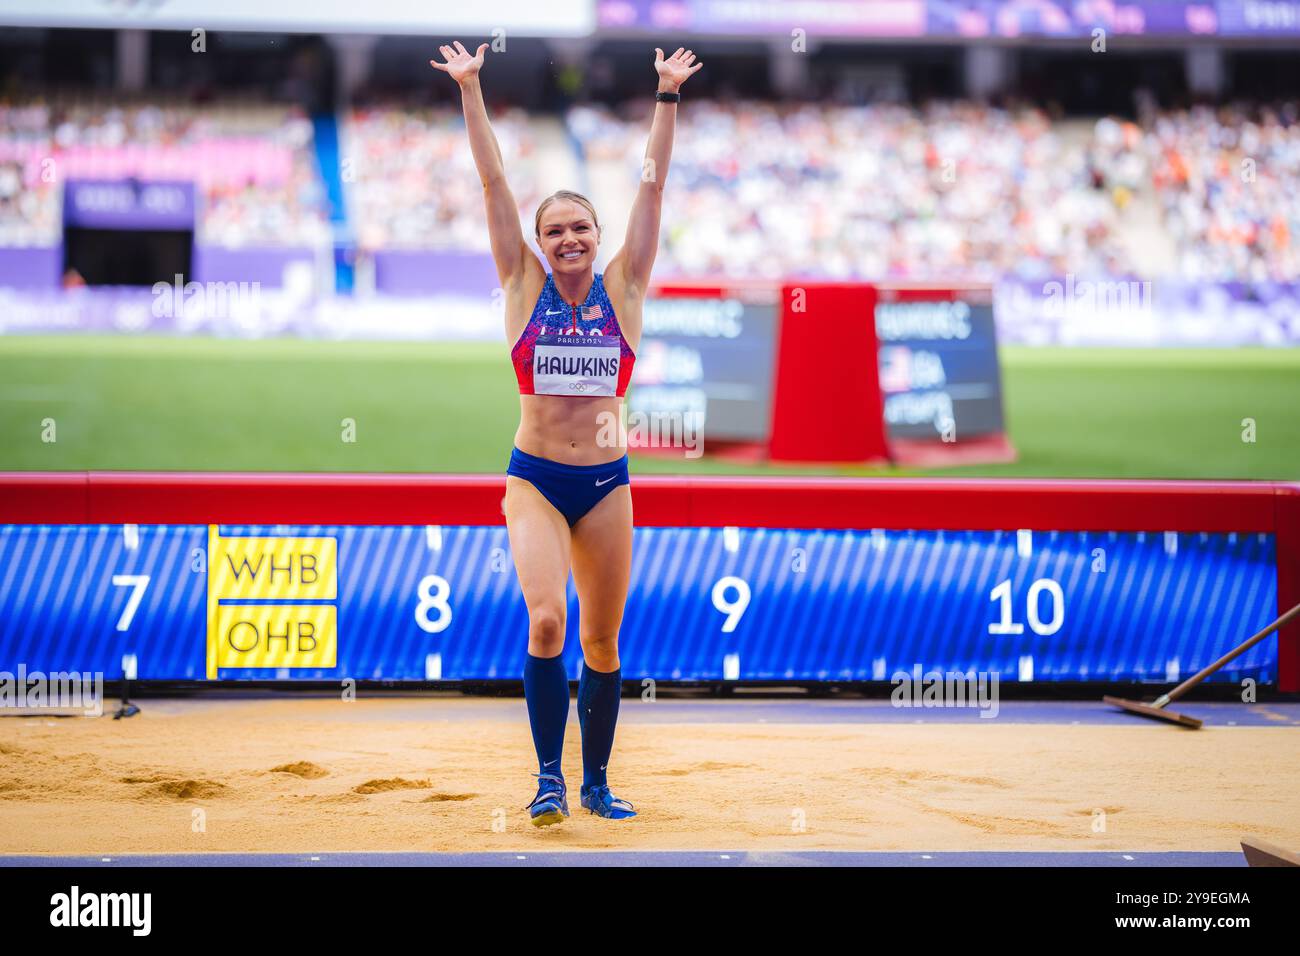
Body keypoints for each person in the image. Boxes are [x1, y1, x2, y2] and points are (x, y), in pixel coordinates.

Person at [431, 41, 701, 826]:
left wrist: (666, 96)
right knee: (546, 620)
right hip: (537, 480)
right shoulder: (522, 284)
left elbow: (653, 186)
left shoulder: (626, 286)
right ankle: (548, 779)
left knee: (603, 645)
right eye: (555, 231)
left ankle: (596, 783)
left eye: (580, 227)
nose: (569, 239)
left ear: (598, 232)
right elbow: (492, 182)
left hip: (608, 484)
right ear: (540, 242)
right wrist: (471, 89)